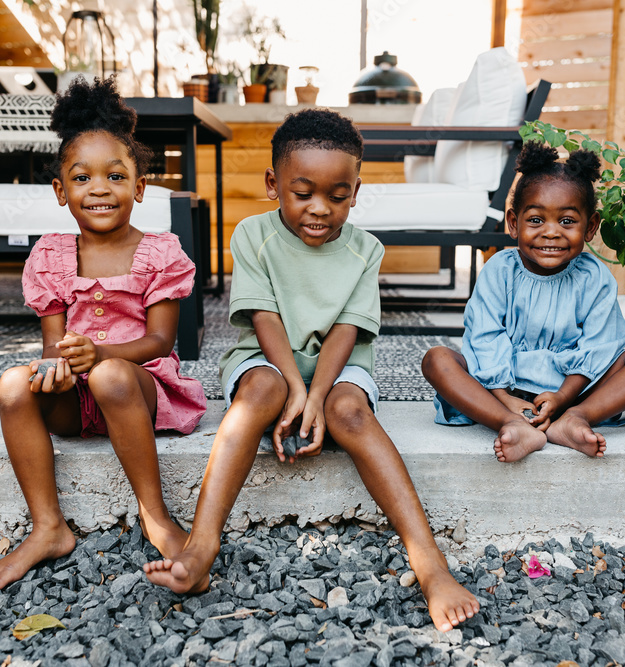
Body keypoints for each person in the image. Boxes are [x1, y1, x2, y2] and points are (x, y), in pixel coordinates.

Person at [142, 109, 479, 632]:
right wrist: (295, 388)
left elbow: (347, 329)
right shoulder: (252, 234)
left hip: (340, 368)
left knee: (351, 412)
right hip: (266, 358)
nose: (320, 209)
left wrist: (317, 396)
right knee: (260, 392)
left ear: (355, 190)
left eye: (338, 196)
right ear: (274, 184)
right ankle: (201, 545)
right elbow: (264, 316)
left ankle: (429, 562)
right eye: (304, 193)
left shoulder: (367, 250)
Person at [0, 77, 207, 591]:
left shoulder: (159, 252)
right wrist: (54, 371)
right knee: (13, 385)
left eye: (115, 176)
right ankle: (48, 527)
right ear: (61, 191)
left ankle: (155, 515)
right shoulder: (51, 255)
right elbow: (51, 346)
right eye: (82, 178)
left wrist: (100, 353)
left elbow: (159, 343)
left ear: (139, 186)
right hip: (76, 393)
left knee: (109, 377)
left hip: (135, 386)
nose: (99, 189)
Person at [422, 141, 625, 463]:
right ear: (513, 222)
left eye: (567, 221)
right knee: (437, 359)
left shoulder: (594, 277)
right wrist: (505, 399)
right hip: (498, 393)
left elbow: (600, 345)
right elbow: (483, 338)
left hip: (576, 392)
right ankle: (511, 423)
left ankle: (574, 419)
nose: (551, 233)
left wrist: (564, 397)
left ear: (591, 226)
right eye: (536, 220)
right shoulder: (499, 270)